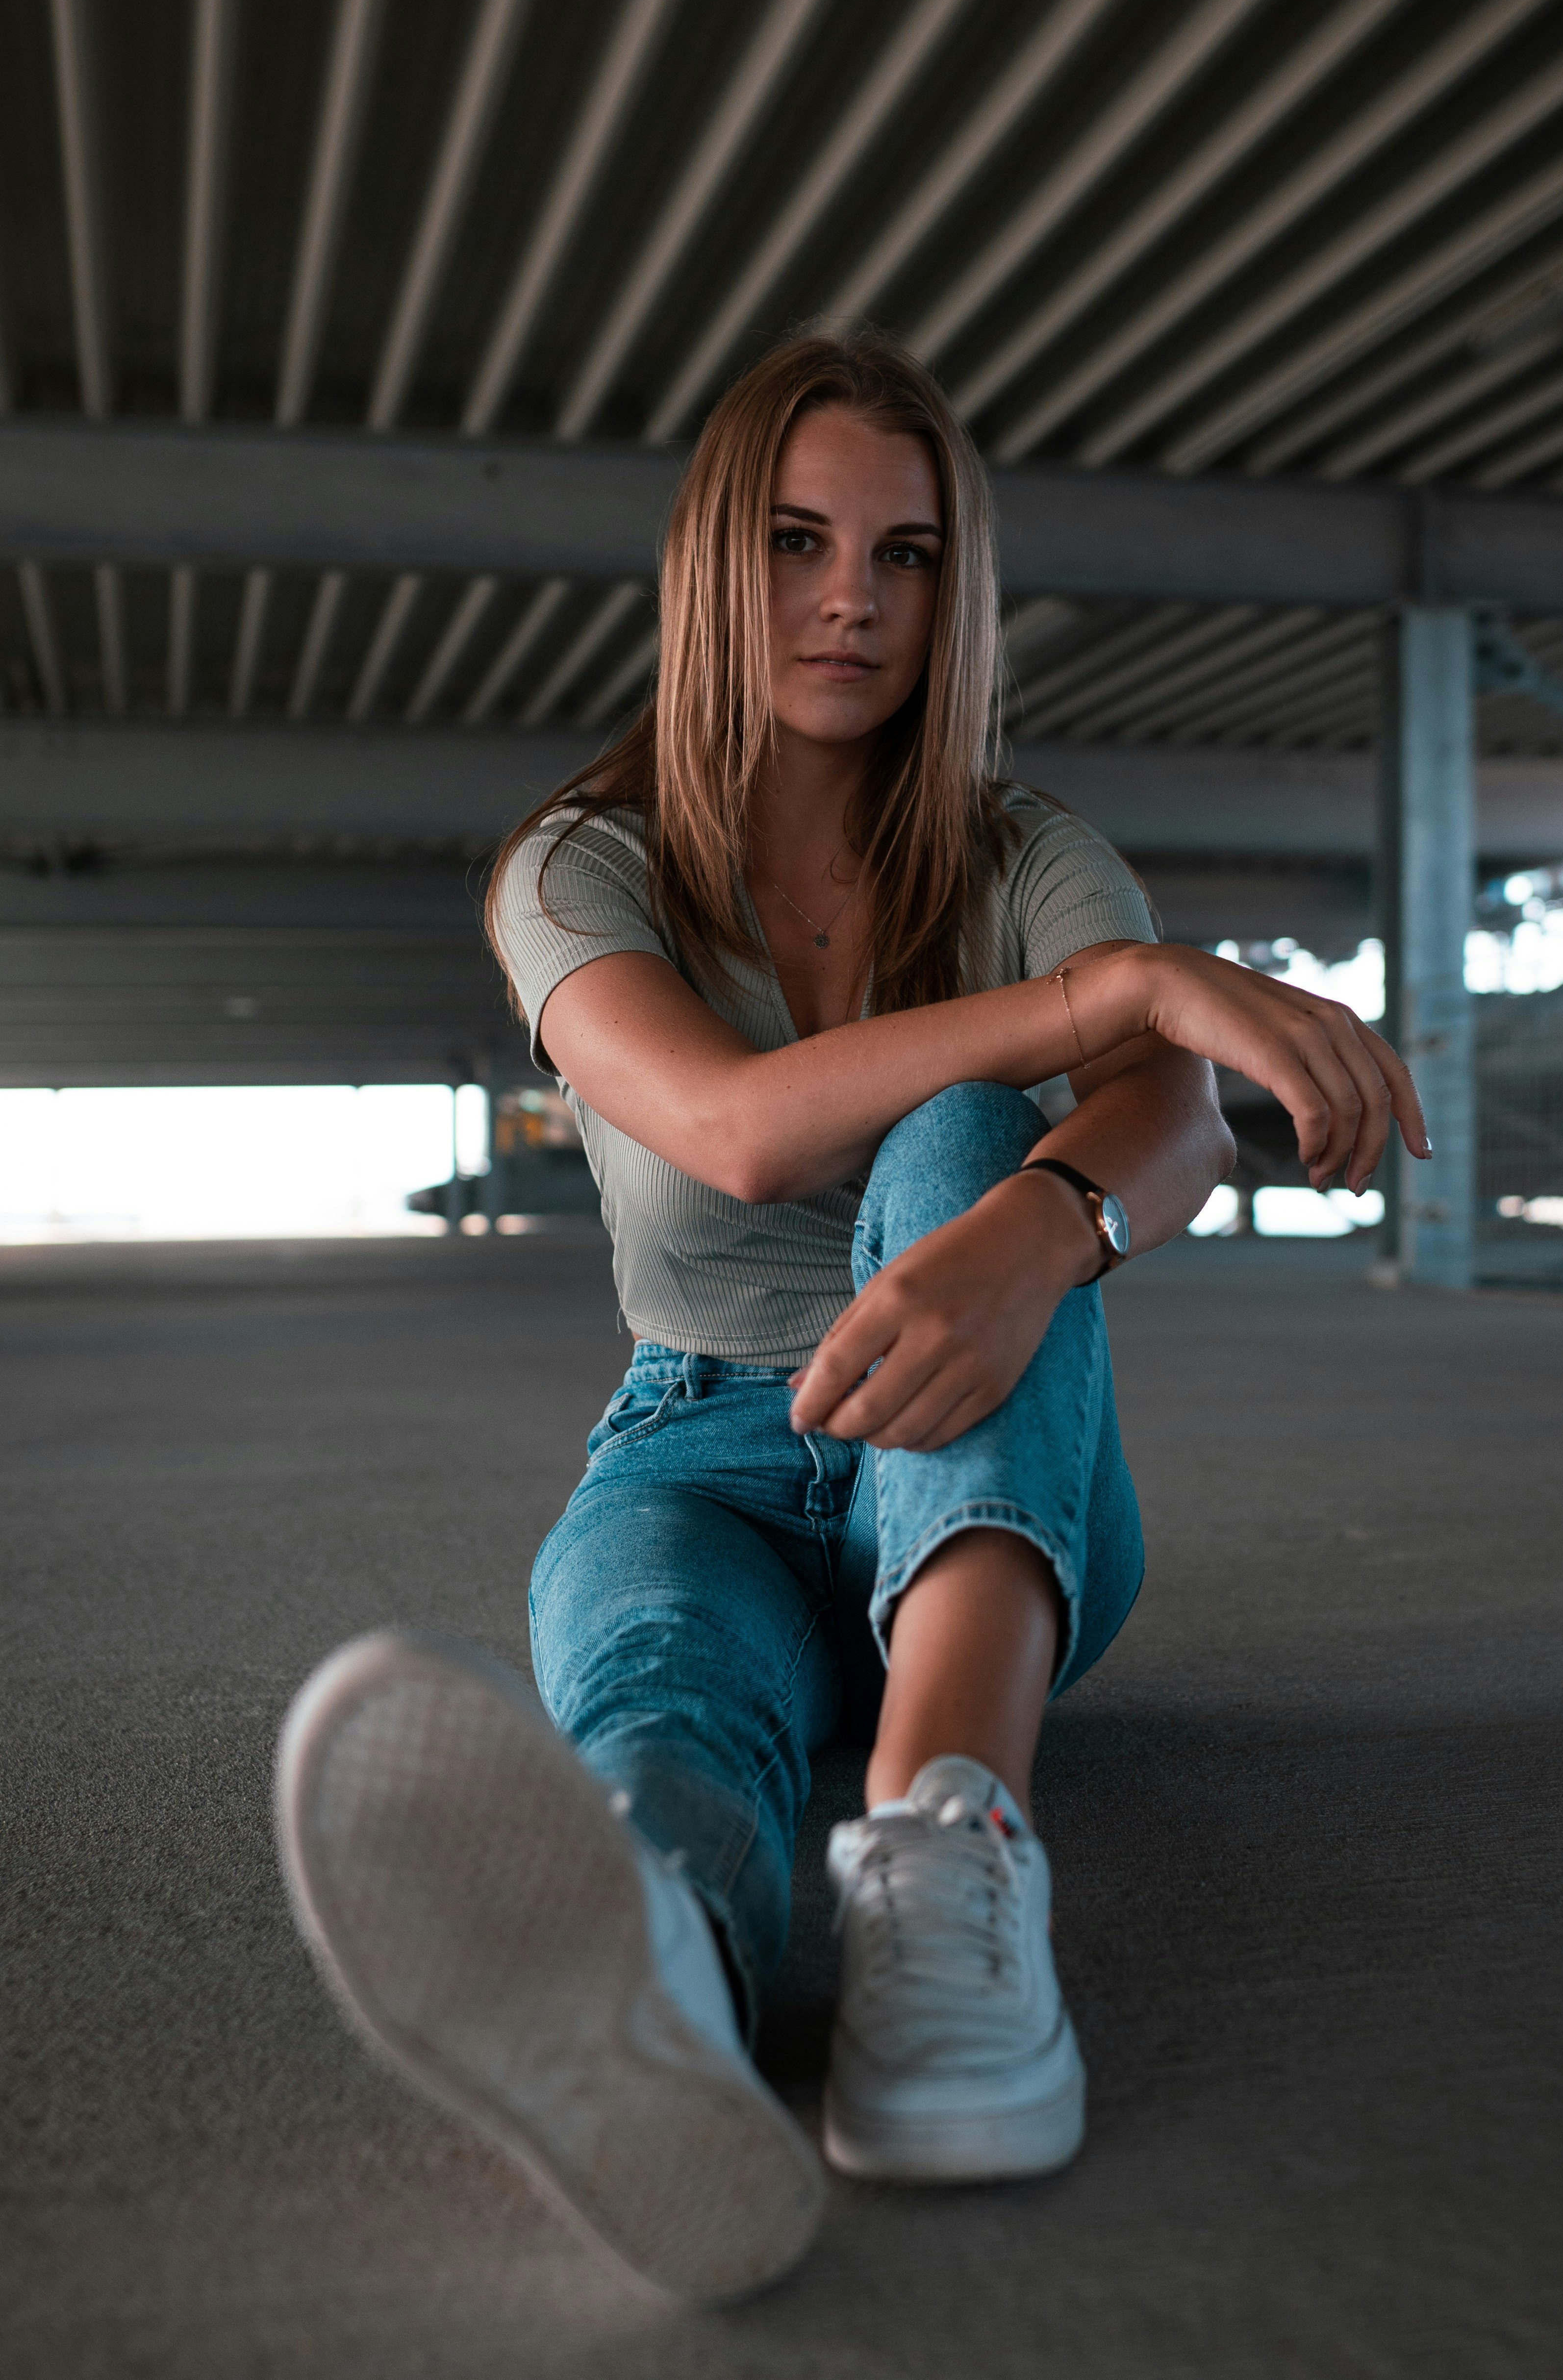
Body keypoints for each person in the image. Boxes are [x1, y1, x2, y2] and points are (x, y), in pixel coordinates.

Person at [275, 326, 1426, 2306]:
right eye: (799, 540)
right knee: (656, 1702)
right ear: (715, 562)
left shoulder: (1020, 852)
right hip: (697, 1441)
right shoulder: (580, 866)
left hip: (1001, 1452)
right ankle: (656, 1978)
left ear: (949, 593)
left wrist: (1048, 1222)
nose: (847, 599)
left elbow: (1166, 1121)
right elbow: (726, 1132)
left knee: (971, 1127)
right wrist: (1120, 989)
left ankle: (948, 1871)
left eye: (903, 557)